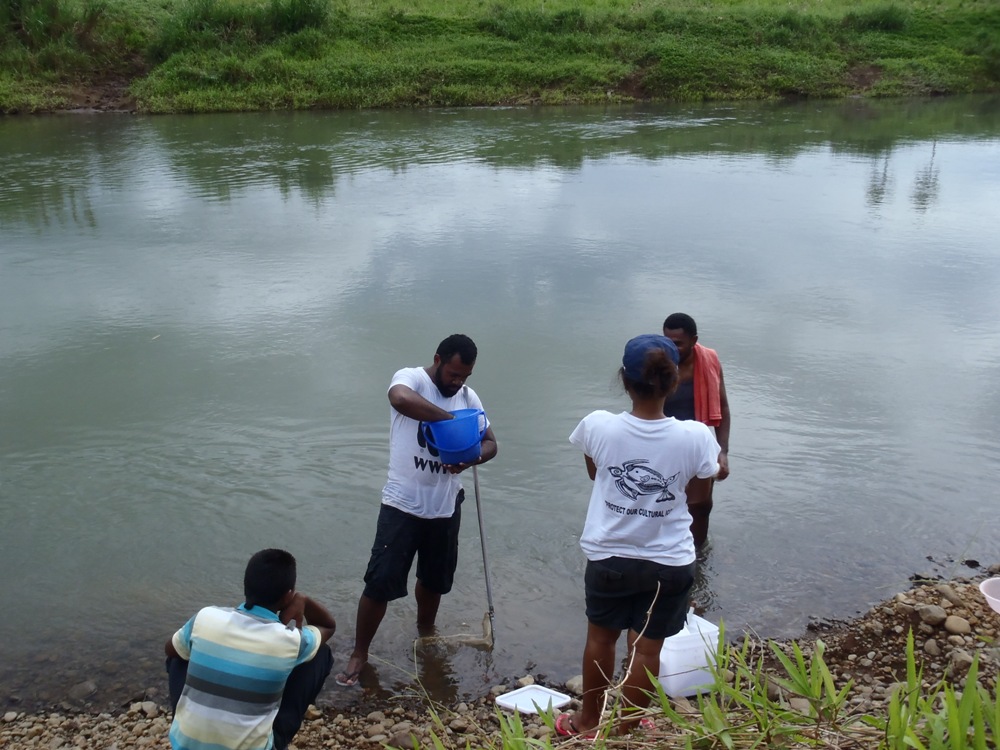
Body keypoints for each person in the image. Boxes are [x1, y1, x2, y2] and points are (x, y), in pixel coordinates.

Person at [558, 334, 719, 738]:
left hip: (609, 556)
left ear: (624, 380)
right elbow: (698, 499)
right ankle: (626, 729)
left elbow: (597, 473)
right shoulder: (697, 436)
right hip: (670, 560)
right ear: (672, 382)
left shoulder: (597, 425)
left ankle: (587, 722)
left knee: (601, 638)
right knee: (647, 648)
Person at [335, 333, 498, 687]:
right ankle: (360, 652)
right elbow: (399, 399)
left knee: (434, 581)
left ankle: (426, 634)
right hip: (402, 505)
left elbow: (491, 443)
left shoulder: (469, 398)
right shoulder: (411, 379)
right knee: (380, 582)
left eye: (465, 376)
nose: (459, 383)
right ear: (438, 359)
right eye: (454, 374)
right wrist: (447, 421)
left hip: (444, 506)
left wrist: (471, 456)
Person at [165, 548, 336, 750]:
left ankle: (192, 724)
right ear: (287, 595)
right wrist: (303, 601)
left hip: (184, 744)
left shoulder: (206, 617)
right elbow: (328, 626)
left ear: (246, 585)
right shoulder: (290, 640)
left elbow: (169, 650)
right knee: (320, 654)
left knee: (180, 650)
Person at [661, 312, 730, 547]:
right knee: (663, 502)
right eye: (667, 342)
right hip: (664, 443)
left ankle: (697, 553)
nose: (672, 348)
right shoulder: (659, 363)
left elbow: (722, 407)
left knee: (701, 506)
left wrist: (723, 452)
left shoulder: (709, 360)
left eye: (678, 344)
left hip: (699, 442)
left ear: (694, 340)